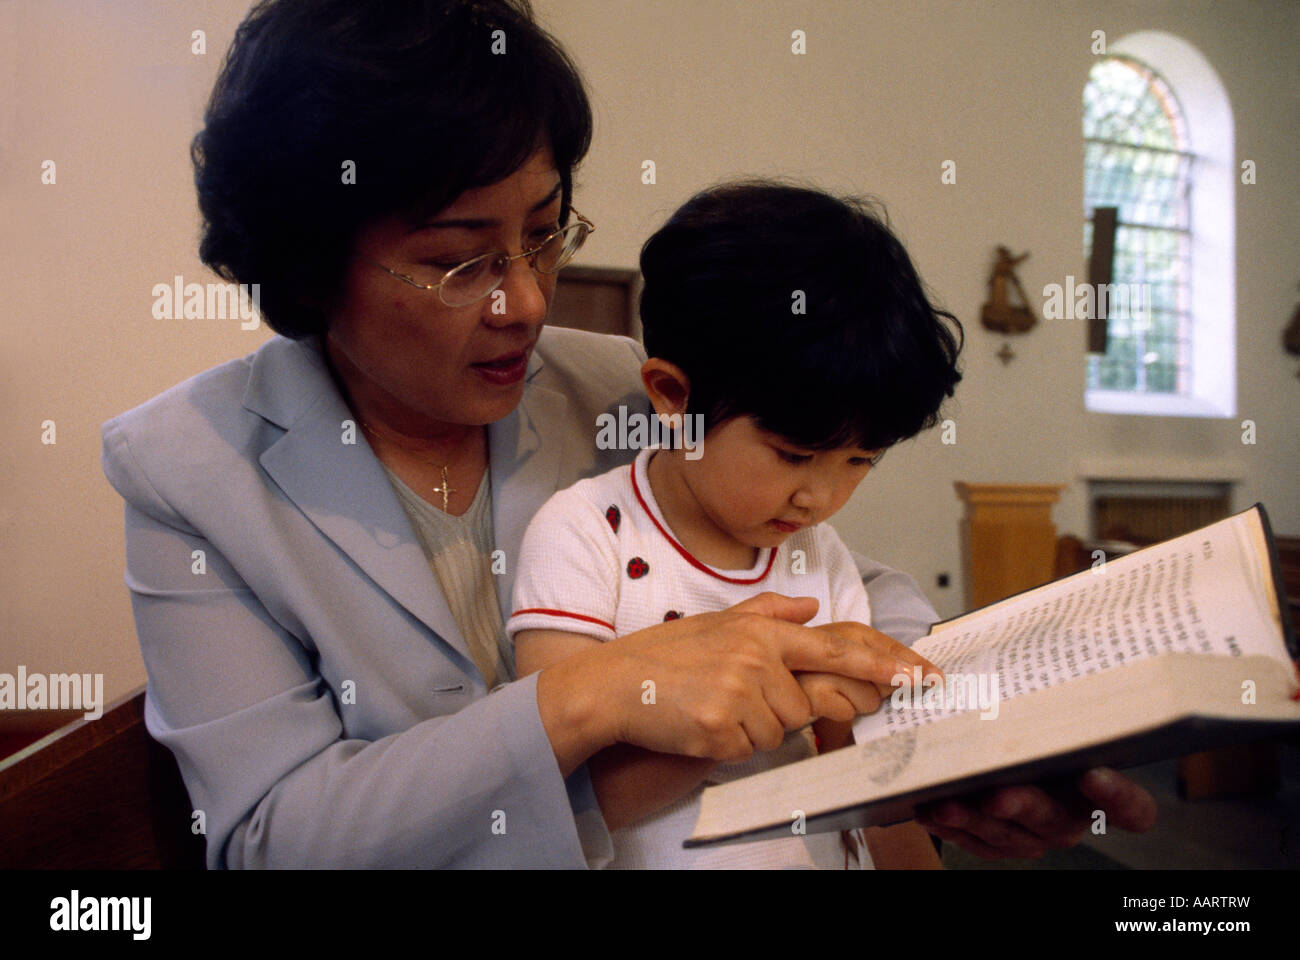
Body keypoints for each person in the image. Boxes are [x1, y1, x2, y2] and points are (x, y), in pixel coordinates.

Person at [99, 0, 1154, 869]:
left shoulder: (616, 388)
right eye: (460, 258)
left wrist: (974, 740)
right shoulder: (191, 471)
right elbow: (274, 838)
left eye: (546, 229)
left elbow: (844, 590)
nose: (522, 299)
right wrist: (585, 699)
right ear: (309, 259)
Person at [510, 180, 958, 868]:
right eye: (794, 455)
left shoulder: (823, 558)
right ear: (673, 397)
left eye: (861, 460)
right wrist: (774, 708)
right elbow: (564, 801)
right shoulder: (584, 534)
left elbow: (869, 788)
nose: (820, 496)